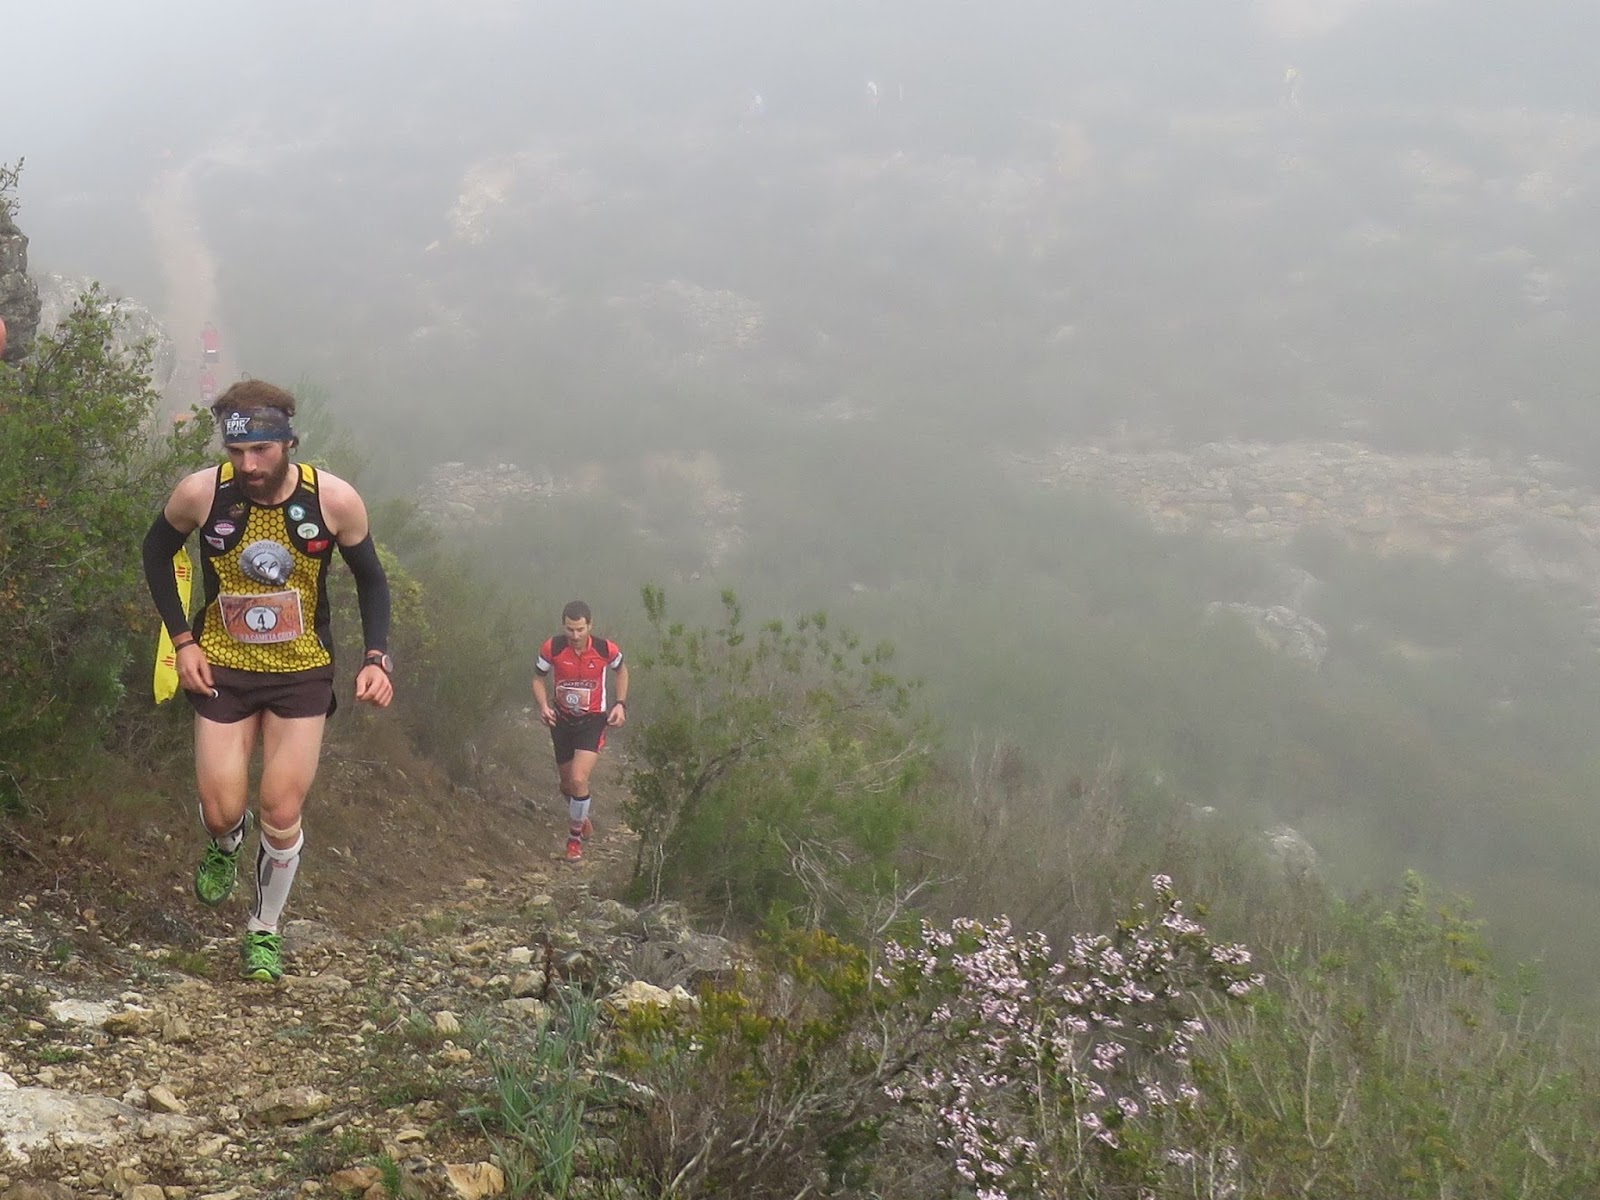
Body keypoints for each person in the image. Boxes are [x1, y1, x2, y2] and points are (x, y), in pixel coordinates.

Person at [141, 380, 394, 981]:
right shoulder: (201, 494)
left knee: (281, 807)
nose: (249, 466)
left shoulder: (332, 500)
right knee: (221, 808)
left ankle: (264, 931)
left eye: (261, 451)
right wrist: (183, 642)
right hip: (223, 667)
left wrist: (377, 657)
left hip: (302, 671)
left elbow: (372, 580)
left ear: (288, 442)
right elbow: (155, 554)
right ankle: (227, 845)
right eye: (237, 453)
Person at [531, 601, 629, 862]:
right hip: (562, 721)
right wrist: (542, 706)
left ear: (590, 626)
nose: (575, 636)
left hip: (593, 721)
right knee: (566, 785)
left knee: (578, 778)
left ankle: (574, 841)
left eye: (580, 630)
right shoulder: (552, 647)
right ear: (563, 626)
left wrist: (620, 704)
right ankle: (581, 817)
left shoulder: (604, 649)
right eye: (570, 629)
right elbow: (538, 678)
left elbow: (622, 671)